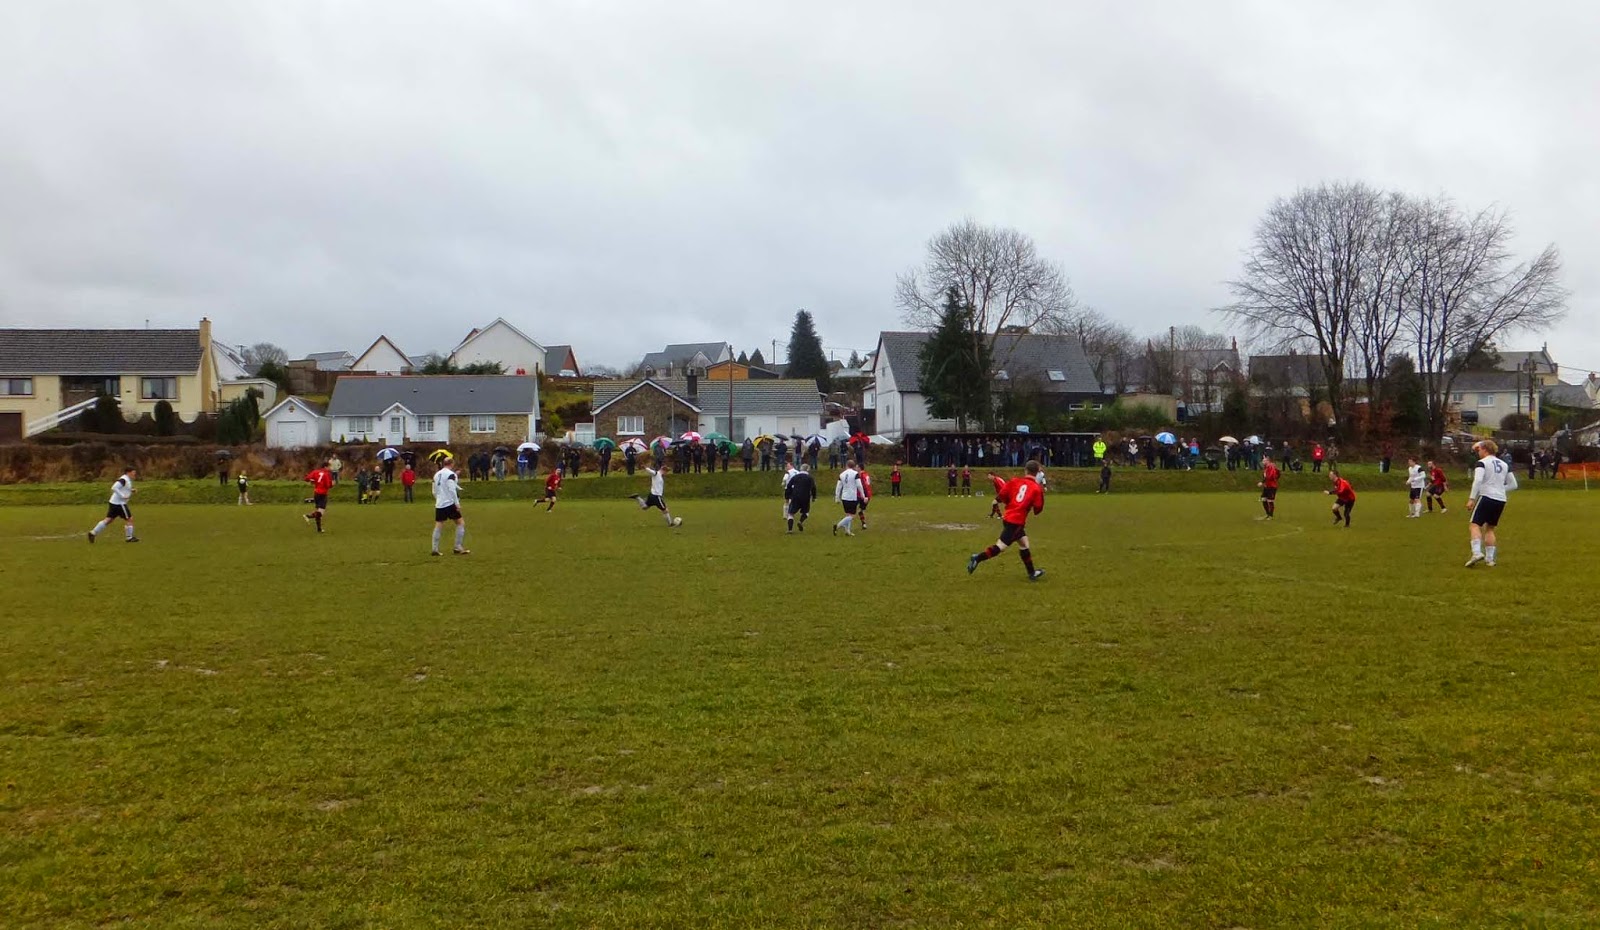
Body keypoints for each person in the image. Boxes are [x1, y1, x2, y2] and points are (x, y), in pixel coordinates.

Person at [967, 461, 1046, 581]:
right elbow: (1038, 509)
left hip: (1008, 517)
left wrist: (1007, 503)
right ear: (1037, 473)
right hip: (1016, 522)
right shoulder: (1036, 488)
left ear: (1025, 470)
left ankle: (1032, 573)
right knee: (1000, 547)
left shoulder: (1015, 481)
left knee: (1024, 544)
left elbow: (1002, 494)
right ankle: (977, 558)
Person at [1466, 439, 1517, 568]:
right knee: (1490, 528)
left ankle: (1476, 553)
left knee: (1474, 525)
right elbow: (1513, 484)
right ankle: (1490, 560)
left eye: (1479, 450)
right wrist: (1499, 489)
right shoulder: (1504, 464)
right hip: (1500, 499)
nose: (1478, 452)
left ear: (1484, 450)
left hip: (1487, 496)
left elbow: (1477, 481)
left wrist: (1472, 499)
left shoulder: (1482, 463)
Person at [431, 453, 470, 555]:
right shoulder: (451, 474)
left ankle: (435, 549)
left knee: (439, 525)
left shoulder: (436, 474)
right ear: (452, 464)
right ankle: (458, 547)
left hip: (439, 503)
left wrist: (438, 499)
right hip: (449, 503)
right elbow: (451, 489)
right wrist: (457, 503)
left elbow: (434, 491)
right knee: (460, 523)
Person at [88, 466, 140, 543]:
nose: (134, 474)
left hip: (114, 502)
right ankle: (129, 538)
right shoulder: (124, 479)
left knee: (109, 519)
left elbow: (124, 488)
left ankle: (93, 533)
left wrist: (131, 490)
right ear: (128, 472)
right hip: (120, 503)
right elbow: (114, 487)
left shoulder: (126, 480)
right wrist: (122, 496)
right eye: (133, 473)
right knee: (129, 519)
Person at [785, 463, 818, 532]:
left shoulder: (795, 477)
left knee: (791, 513)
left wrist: (788, 495)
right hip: (805, 497)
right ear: (808, 469)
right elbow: (814, 488)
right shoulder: (810, 478)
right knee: (806, 512)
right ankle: (800, 521)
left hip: (795, 496)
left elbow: (788, 486)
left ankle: (790, 530)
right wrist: (814, 497)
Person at [833, 463, 865, 536]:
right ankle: (837, 526)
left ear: (846, 465)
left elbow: (838, 487)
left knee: (848, 514)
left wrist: (837, 497)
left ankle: (847, 531)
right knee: (852, 516)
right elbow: (859, 485)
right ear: (853, 466)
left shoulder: (842, 474)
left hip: (844, 497)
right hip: (852, 497)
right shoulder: (855, 474)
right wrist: (863, 495)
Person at [303, 461, 334, 533]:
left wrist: (312, 481)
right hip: (323, 494)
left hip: (316, 493)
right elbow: (328, 485)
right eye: (329, 467)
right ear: (325, 467)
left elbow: (307, 478)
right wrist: (332, 484)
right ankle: (308, 516)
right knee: (320, 512)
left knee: (318, 511)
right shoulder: (326, 474)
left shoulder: (315, 472)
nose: (330, 468)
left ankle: (319, 529)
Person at [1257, 454, 1279, 520]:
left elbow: (1271, 476)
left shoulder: (1271, 466)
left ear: (1268, 461)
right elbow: (1266, 476)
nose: (1262, 462)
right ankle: (1267, 514)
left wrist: (1262, 482)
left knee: (1270, 501)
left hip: (1272, 486)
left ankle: (1270, 516)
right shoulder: (1266, 467)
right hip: (1267, 486)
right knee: (1263, 499)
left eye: (1264, 460)